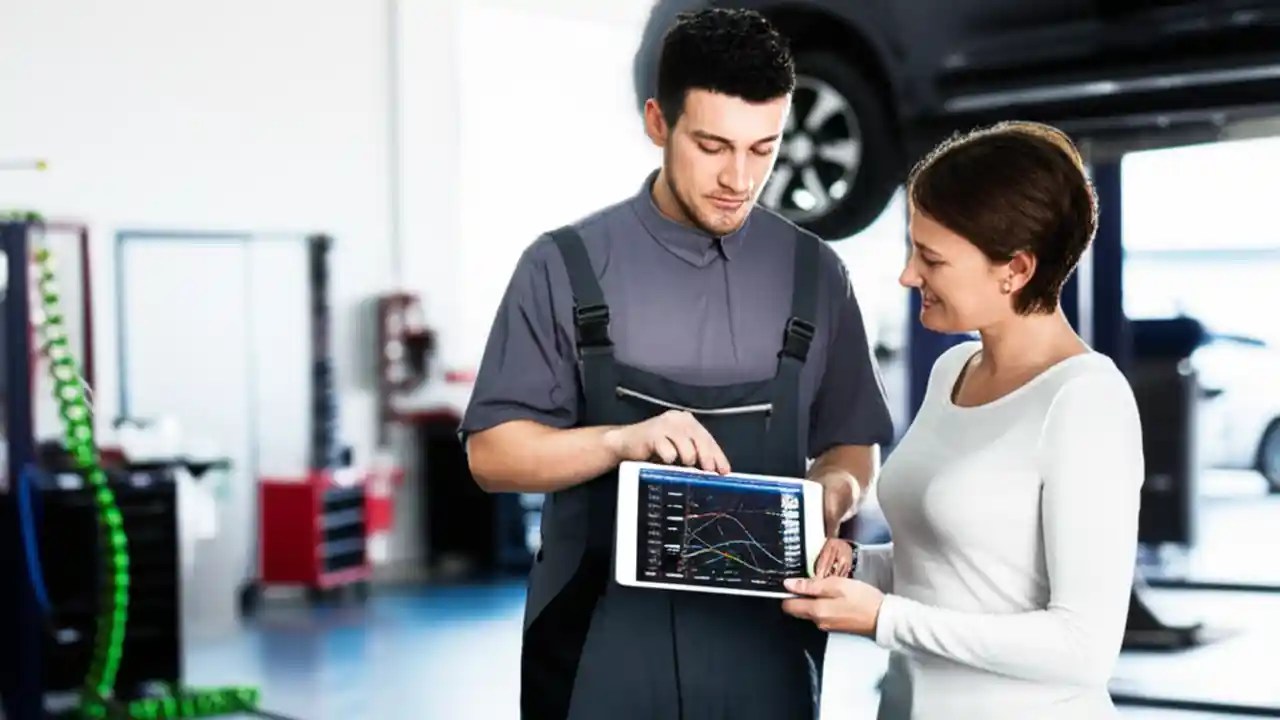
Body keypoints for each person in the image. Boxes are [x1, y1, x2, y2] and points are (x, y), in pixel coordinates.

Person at [459, 8, 895, 720]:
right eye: (712, 145)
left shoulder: (818, 276)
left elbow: (852, 445)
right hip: (596, 653)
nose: (739, 177)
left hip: (767, 656)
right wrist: (618, 441)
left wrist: (833, 495)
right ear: (658, 122)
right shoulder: (562, 268)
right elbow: (492, 456)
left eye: (764, 148)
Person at [781, 121, 1145, 719]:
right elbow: (952, 569)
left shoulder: (1085, 402)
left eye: (931, 257)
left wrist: (883, 618)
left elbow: (1083, 649)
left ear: (1016, 270)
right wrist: (856, 564)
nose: (908, 275)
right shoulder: (953, 369)